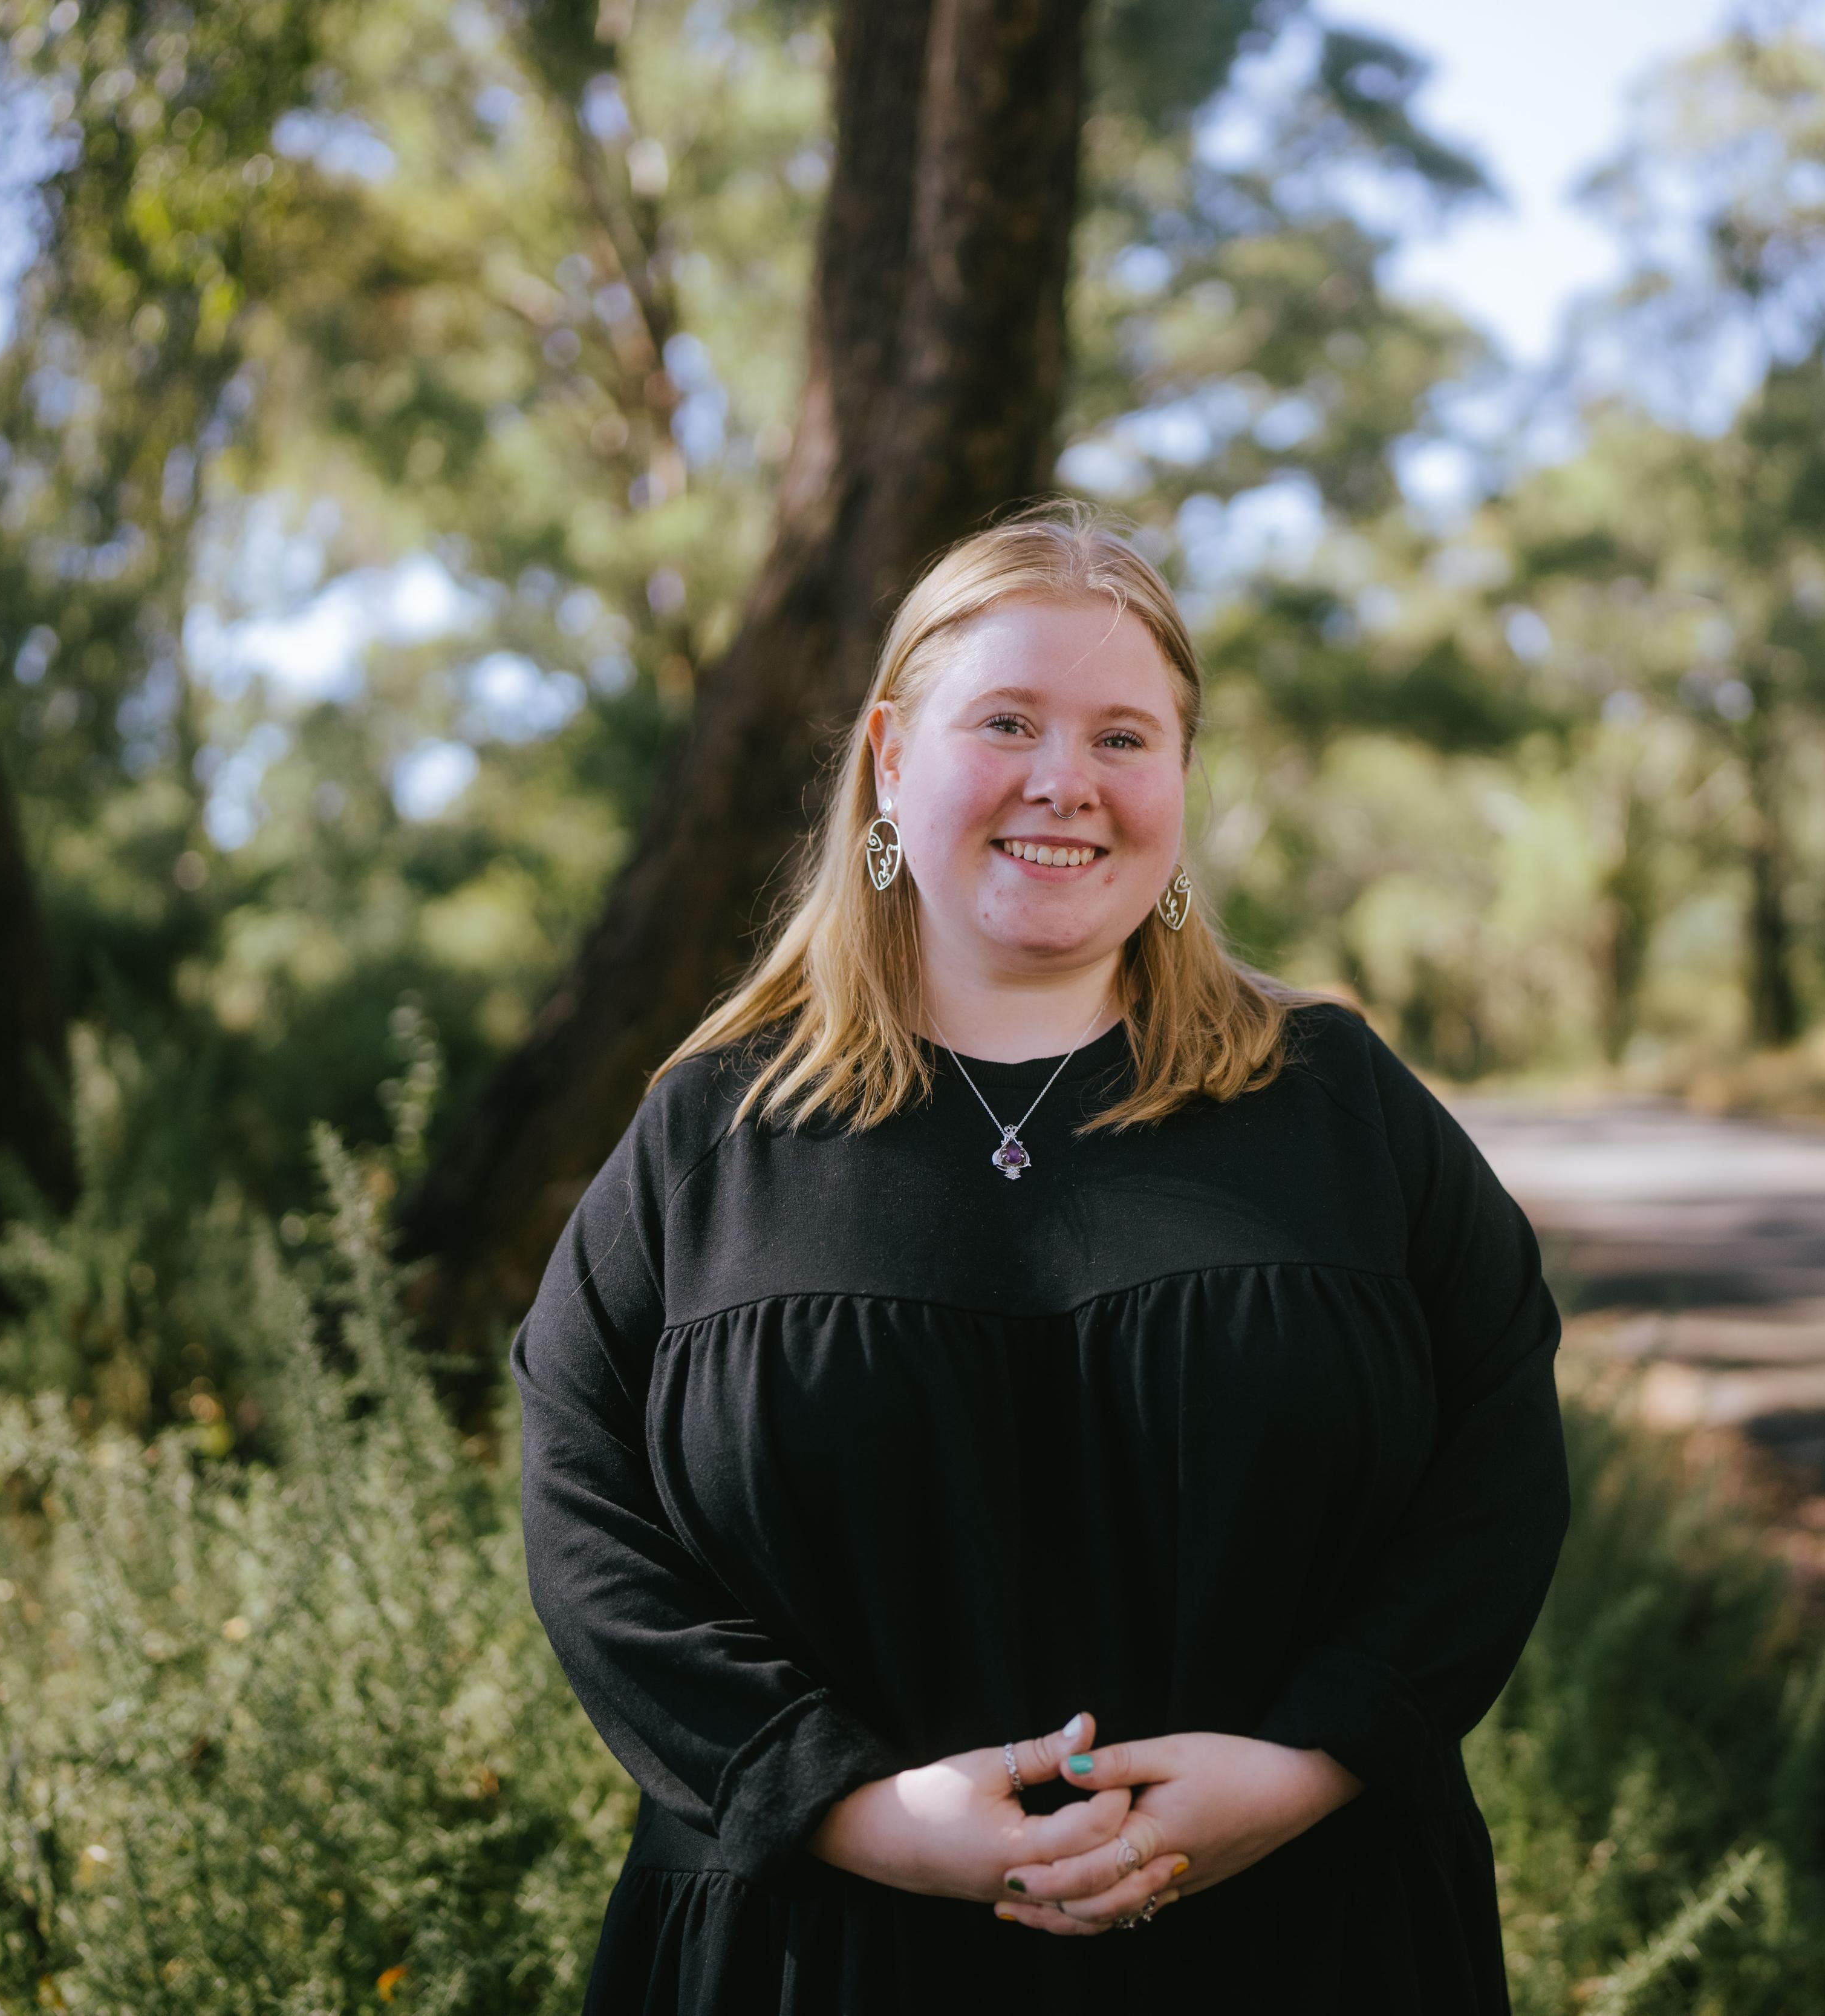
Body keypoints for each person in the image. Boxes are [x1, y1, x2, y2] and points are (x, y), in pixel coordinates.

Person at [512, 501, 1569, 2013]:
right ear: (891, 752)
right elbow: (587, 1520)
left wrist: (1303, 1766)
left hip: (1301, 1941)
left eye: (1125, 738)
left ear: (1182, 779)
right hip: (816, 1953)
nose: (1065, 781)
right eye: (1006, 720)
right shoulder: (710, 1134)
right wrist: (851, 1811)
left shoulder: (1336, 1100)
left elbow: (1500, 1457)